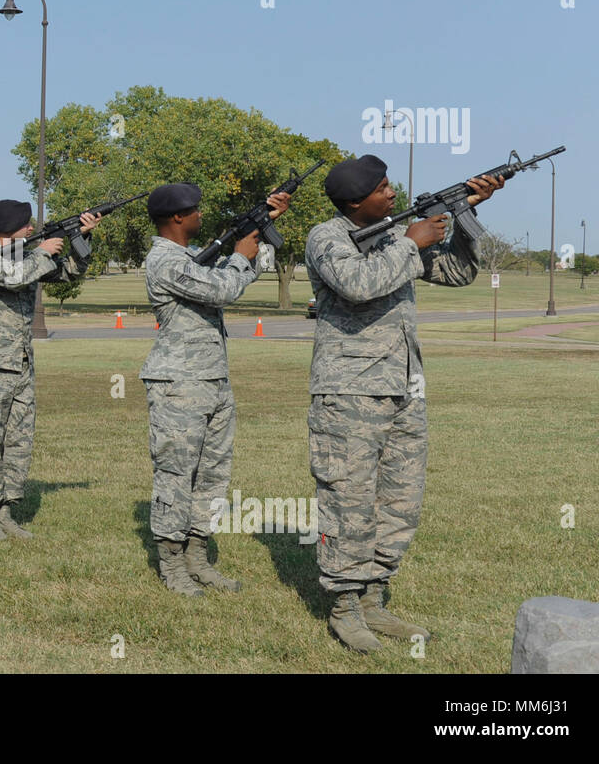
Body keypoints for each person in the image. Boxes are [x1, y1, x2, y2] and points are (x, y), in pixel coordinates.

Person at [306, 155, 502, 652]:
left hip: (404, 386)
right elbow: (357, 285)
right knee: (348, 500)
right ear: (355, 201)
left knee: (399, 501)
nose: (392, 193)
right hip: (349, 390)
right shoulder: (326, 237)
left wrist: (461, 217)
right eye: (383, 188)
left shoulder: (396, 235)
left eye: (391, 185)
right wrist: (413, 242)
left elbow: (458, 272)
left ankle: (374, 598)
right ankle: (345, 607)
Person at [140, 182, 290, 595]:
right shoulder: (164, 261)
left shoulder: (191, 257)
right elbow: (223, 287)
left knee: (211, 476)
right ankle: (172, 565)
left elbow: (243, 273)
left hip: (213, 380)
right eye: (196, 211)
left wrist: (264, 228)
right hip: (178, 384)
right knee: (175, 475)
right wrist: (240, 256)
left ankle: (197, 557)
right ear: (178, 218)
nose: (201, 217)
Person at [0, 199, 100, 540]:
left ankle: (7, 510)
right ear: (14, 225)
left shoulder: (27, 257)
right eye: (28, 223)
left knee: (18, 442)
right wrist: (43, 251)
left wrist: (80, 238)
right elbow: (12, 279)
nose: (32, 229)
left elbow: (69, 272)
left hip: (22, 365)